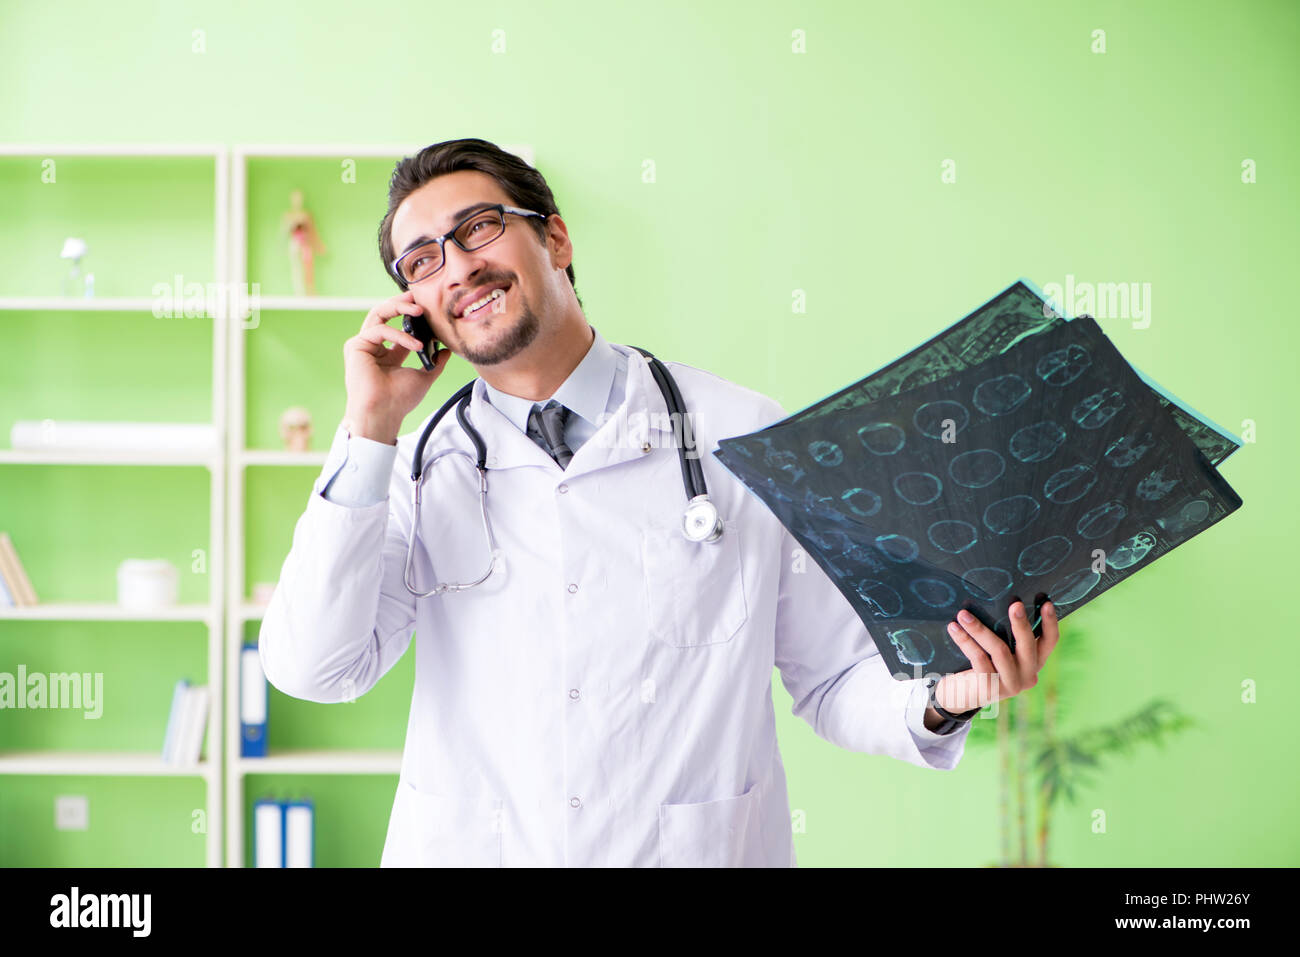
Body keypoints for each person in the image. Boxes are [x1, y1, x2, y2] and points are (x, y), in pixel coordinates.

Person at [258, 138, 1061, 867]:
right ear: (414, 306)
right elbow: (316, 667)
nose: (458, 267)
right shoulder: (412, 463)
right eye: (422, 260)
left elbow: (833, 677)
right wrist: (370, 427)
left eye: (477, 229)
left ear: (557, 239)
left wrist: (946, 698)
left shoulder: (740, 433)